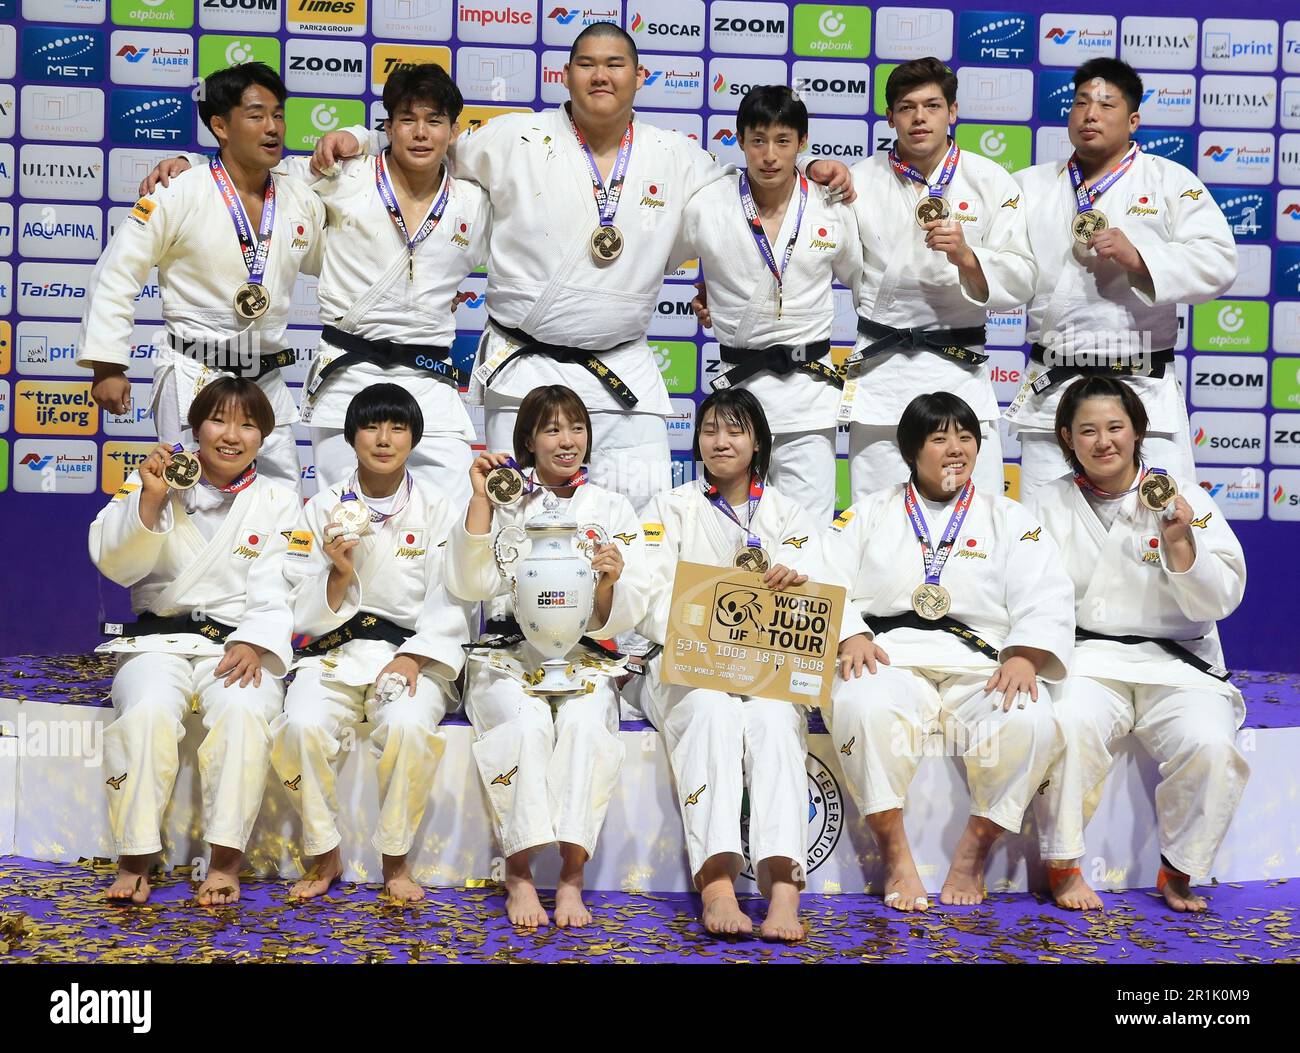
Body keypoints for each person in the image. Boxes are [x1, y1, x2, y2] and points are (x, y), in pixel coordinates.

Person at [310, 23, 852, 512]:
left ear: (640, 76)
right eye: (587, 64)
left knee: (639, 519)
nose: (601, 75)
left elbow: (751, 185)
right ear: (564, 75)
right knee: (511, 514)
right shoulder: (514, 137)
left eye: (615, 64)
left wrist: (807, 161)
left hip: (623, 375)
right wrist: (363, 136)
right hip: (524, 367)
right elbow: (428, 142)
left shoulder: (677, 156)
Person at [139, 64, 488, 504]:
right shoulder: (341, 175)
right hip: (348, 371)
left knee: (451, 514)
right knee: (342, 516)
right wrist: (188, 165)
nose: (420, 133)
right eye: (406, 121)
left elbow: (523, 259)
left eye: (435, 121)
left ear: (454, 131)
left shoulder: (474, 203)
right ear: (389, 126)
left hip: (430, 375)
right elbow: (258, 172)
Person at [824, 392, 1074, 911]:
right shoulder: (868, 512)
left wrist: (1026, 655)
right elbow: (828, 575)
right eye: (939, 439)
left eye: (966, 437)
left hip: (983, 661)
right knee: (860, 706)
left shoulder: (1010, 517)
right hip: (889, 653)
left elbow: (1046, 591)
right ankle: (895, 853)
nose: (955, 449)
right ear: (912, 451)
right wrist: (850, 633)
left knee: (1030, 720)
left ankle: (973, 851)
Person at [636, 389, 863, 941]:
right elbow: (644, 597)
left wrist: (820, 603)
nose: (721, 441)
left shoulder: (790, 513)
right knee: (712, 712)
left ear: (757, 440)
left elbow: (826, 586)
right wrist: (712, 615)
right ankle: (716, 882)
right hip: (688, 668)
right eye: (710, 430)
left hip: (766, 672)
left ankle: (782, 884)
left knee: (772, 719)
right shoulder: (669, 508)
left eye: (735, 430)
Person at [1023, 376, 1248, 912]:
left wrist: (1181, 545)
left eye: (1115, 428)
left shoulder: (1184, 498)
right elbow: (1026, 587)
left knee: (1212, 745)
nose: (1104, 442)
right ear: (1066, 439)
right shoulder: (1045, 503)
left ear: (1138, 431)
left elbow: (1224, 596)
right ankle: (1065, 864)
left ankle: (1179, 869)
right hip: (1088, 658)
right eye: (1088, 431)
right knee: (1069, 725)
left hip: (1178, 660)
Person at [88, 377, 299, 905]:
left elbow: (283, 583)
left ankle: (227, 860)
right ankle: (135, 855)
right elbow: (115, 564)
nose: (232, 435)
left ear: (264, 437)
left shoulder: (279, 500)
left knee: (245, 711)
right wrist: (151, 503)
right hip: (157, 643)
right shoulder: (154, 481)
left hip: (236, 645)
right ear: (196, 427)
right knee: (149, 711)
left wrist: (256, 641)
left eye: (248, 424)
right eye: (219, 420)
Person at [445, 384, 650, 929]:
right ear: (529, 440)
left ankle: (570, 876)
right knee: (526, 723)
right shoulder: (507, 496)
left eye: (577, 427)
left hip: (584, 653)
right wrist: (483, 499)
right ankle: (517, 872)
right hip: (507, 651)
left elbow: (624, 613)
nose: (567, 441)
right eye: (553, 429)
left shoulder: (613, 508)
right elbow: (470, 583)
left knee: (584, 726)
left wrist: (609, 579)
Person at [271, 384, 475, 903]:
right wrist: (337, 576)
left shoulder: (439, 508)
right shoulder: (320, 509)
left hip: (413, 655)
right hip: (334, 651)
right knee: (300, 725)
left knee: (406, 725)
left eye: (397, 427)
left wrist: (414, 655)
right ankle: (323, 853)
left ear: (413, 438)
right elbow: (296, 603)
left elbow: (455, 598)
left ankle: (396, 857)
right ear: (351, 435)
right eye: (371, 427)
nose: (384, 439)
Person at [78, 62, 324, 491]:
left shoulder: (297, 197)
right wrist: (108, 364)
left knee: (280, 503)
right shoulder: (178, 190)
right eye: (256, 115)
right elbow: (118, 274)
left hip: (265, 380)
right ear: (220, 125)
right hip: (194, 373)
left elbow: (340, 266)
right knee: (187, 502)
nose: (273, 127)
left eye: (279, 114)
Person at [1005, 58, 1237, 501]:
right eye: (1080, 103)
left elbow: (1220, 262)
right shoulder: (1027, 187)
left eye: (1106, 105)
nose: (1090, 114)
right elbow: (992, 255)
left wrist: (1141, 259)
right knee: (1045, 538)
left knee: (1156, 532)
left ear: (1133, 120)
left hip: (1142, 388)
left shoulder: (1170, 181)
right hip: (1055, 391)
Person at [843, 58, 1035, 504]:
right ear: (890, 117)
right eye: (906, 107)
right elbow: (818, 251)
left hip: (958, 369)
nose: (919, 117)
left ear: (952, 112)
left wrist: (968, 257)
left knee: (973, 517)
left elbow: (1023, 275)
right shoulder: (859, 182)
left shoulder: (989, 180)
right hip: (882, 374)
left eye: (932, 105)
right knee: (875, 516)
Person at [679, 87, 860, 525]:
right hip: (738, 402)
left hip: (809, 399)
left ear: (803, 142)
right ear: (739, 140)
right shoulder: (707, 204)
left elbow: (865, 287)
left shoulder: (829, 206)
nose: (769, 155)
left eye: (783, 141)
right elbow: (650, 262)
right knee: (728, 529)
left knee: (807, 531)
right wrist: (708, 292)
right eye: (758, 140)